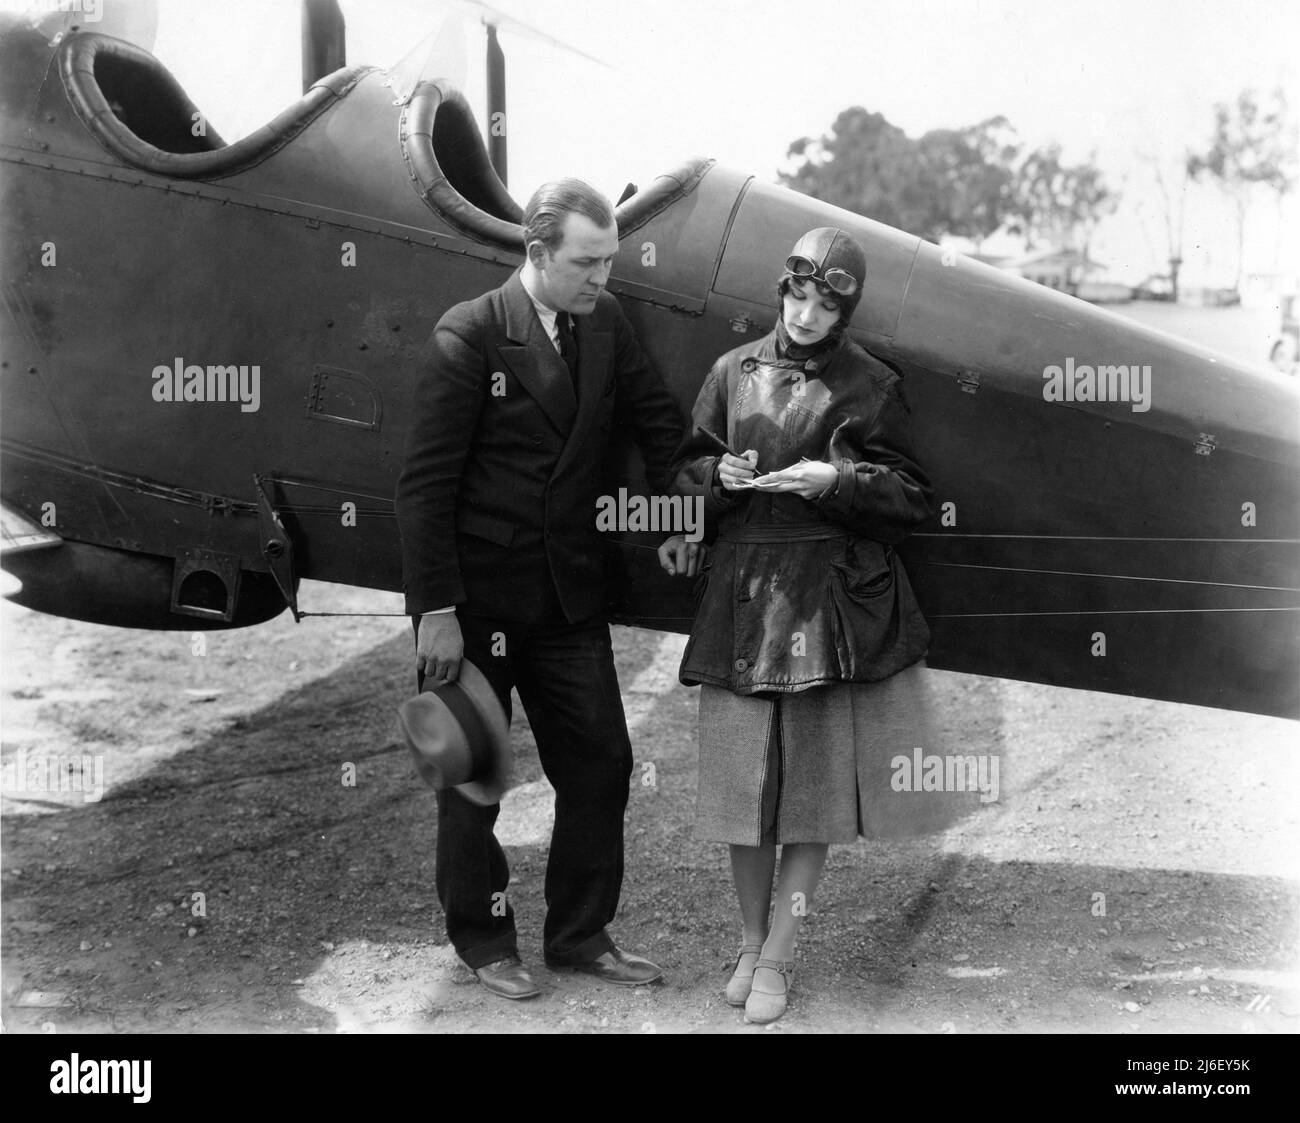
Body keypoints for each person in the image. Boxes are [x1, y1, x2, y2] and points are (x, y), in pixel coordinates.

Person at [659, 227, 972, 1024]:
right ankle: (749, 941)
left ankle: (779, 957)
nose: (803, 315)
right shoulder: (731, 372)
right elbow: (682, 479)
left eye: (824, 304)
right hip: (737, 597)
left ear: (846, 309)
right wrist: (714, 479)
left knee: (812, 800)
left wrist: (837, 480)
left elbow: (911, 499)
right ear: (780, 291)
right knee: (741, 793)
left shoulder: (872, 384)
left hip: (826, 606)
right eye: (795, 296)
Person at [396, 178, 689, 999]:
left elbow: (657, 420)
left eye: (610, 261)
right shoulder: (471, 335)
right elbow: (422, 488)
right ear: (537, 255)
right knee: (471, 778)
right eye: (588, 262)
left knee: (602, 763)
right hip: (477, 604)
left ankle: (581, 933)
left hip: (566, 601)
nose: (603, 278)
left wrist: (677, 503)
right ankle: (485, 940)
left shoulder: (606, 325)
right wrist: (438, 613)